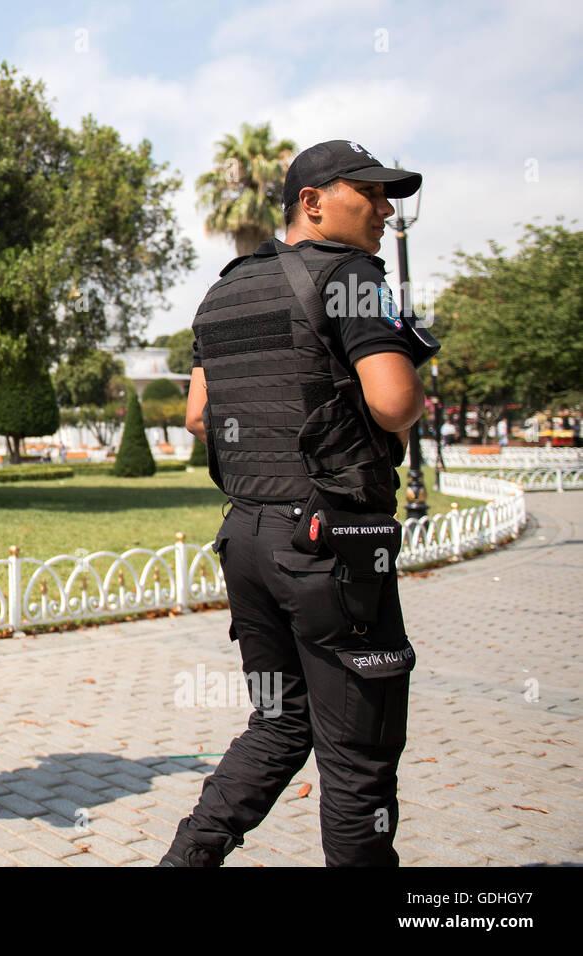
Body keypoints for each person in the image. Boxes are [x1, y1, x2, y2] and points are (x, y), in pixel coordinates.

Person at [163, 141, 440, 867]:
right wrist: (405, 370)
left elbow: (198, 416)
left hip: (249, 542)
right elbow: (393, 401)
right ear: (313, 202)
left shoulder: (224, 289)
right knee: (359, 760)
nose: (385, 209)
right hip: (331, 550)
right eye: (370, 194)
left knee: (280, 724)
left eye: (390, 197)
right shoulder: (353, 277)